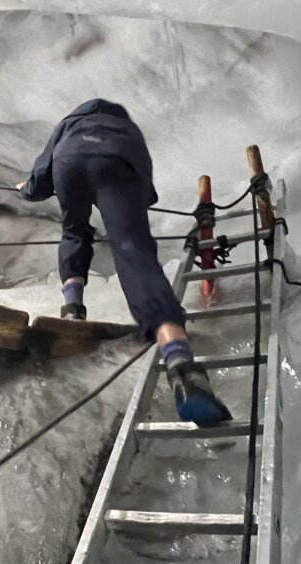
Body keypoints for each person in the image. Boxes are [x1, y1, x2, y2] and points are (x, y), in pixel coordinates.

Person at [18, 99, 232, 426]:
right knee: (132, 249)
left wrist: (26, 190)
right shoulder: (127, 129)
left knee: (74, 230)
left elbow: (39, 177)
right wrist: (132, 205)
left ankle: (73, 308)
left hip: (68, 160)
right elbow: (144, 184)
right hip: (118, 162)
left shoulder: (69, 123)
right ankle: (182, 368)